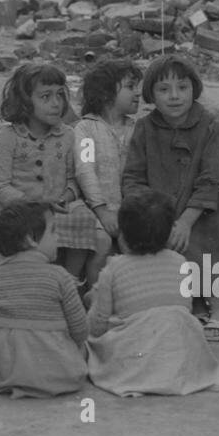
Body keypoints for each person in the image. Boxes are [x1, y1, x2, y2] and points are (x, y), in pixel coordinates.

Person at [121, 53, 219, 326]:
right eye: (163, 89)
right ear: (150, 94)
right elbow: (133, 178)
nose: (174, 96)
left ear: (194, 88)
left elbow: (211, 179)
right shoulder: (144, 128)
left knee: (208, 246)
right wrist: (153, 217)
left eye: (182, 87)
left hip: (202, 212)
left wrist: (184, 220)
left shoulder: (213, 126)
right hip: (159, 215)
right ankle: (191, 302)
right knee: (164, 253)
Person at [86, 189, 219, 396]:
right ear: (169, 232)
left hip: (137, 351)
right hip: (179, 350)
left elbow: (98, 324)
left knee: (97, 342)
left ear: (122, 234)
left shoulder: (113, 269)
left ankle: (140, 375)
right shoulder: (181, 262)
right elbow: (183, 309)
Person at [0, 61, 96, 287]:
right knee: (30, 232)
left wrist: (66, 197)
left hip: (56, 206)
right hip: (16, 208)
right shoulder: (9, 136)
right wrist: (37, 203)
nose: (56, 103)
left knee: (84, 218)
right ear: (25, 101)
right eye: (46, 97)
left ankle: (69, 282)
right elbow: (0, 186)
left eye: (60, 95)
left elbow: (72, 179)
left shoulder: (67, 135)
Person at [0, 202, 89, 398]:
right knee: (84, 349)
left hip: (0, 373)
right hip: (58, 374)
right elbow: (80, 331)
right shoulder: (60, 277)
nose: (58, 237)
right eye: (53, 231)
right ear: (31, 239)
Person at [72, 58, 141, 289]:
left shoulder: (136, 129)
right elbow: (85, 170)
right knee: (101, 247)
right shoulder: (86, 129)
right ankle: (94, 300)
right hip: (94, 208)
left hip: (129, 210)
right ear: (105, 93)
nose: (138, 93)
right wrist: (102, 211)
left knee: (135, 249)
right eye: (131, 87)